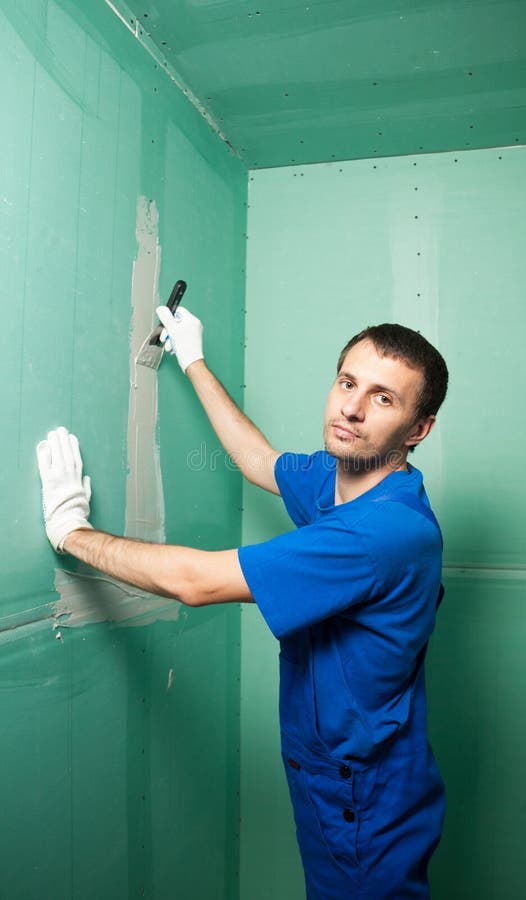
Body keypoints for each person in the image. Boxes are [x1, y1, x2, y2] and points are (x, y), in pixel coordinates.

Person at [37, 303, 449, 899]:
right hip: (334, 772)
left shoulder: (383, 532)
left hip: (365, 794)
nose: (352, 408)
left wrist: (71, 532)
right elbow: (260, 462)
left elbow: (197, 583)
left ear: (418, 429)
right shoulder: (345, 478)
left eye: (383, 398)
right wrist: (193, 359)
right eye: (347, 382)